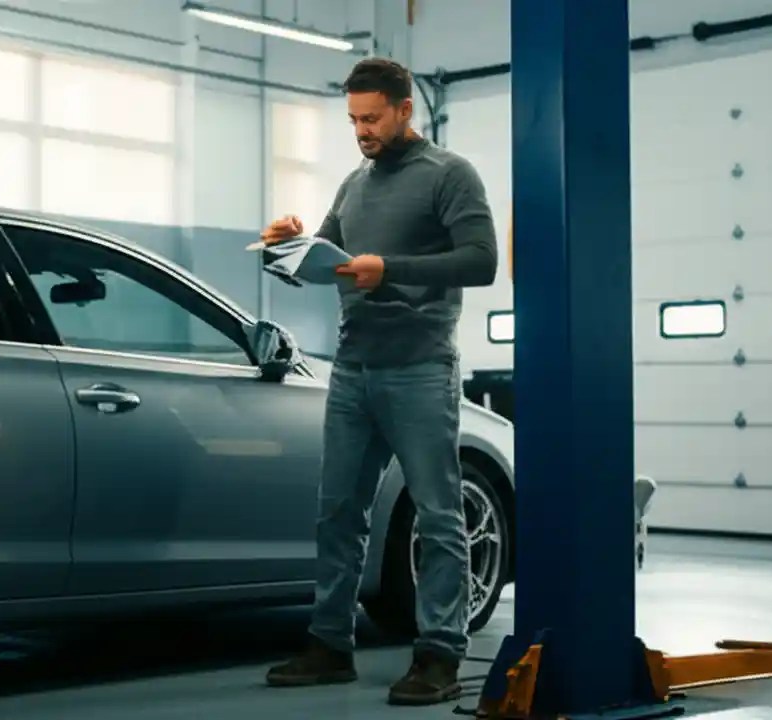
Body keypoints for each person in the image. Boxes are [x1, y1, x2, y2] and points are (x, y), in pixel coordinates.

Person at [259, 57, 498, 706]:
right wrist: (285, 249)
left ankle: (439, 653)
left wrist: (389, 269)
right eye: (353, 120)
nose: (361, 130)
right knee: (338, 513)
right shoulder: (353, 185)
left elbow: (482, 262)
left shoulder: (449, 175)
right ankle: (330, 645)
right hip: (354, 370)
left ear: (404, 110)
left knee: (438, 515)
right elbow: (327, 262)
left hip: (420, 369)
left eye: (371, 118)